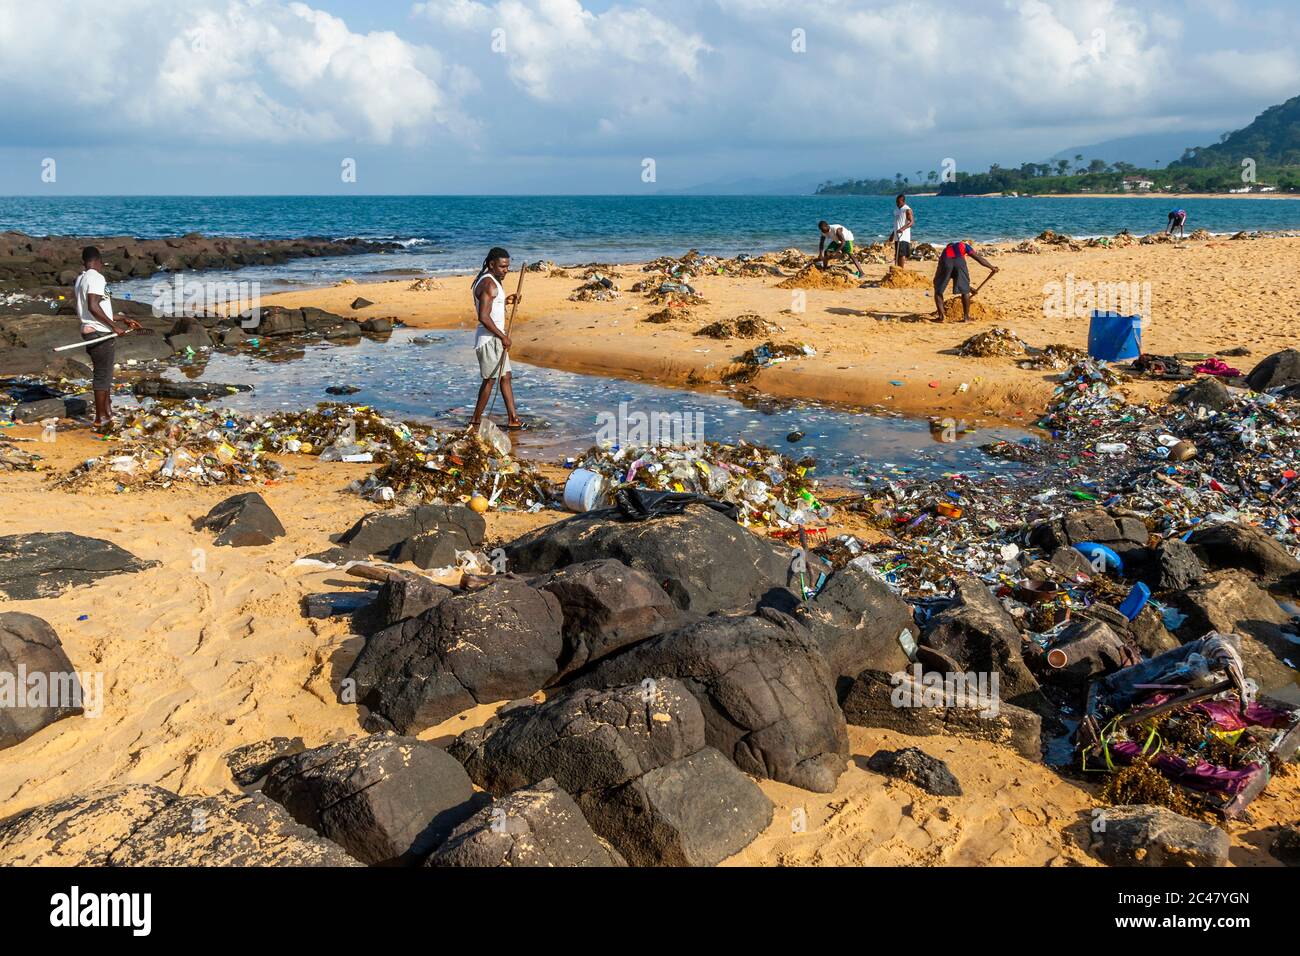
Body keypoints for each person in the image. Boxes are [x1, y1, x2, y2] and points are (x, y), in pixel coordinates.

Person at [74, 246, 141, 430]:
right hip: (99, 332)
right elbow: (94, 306)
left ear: (84, 261)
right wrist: (114, 327)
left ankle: (108, 410)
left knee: (104, 373)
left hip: (89, 329)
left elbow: (98, 308)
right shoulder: (96, 277)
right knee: (102, 375)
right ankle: (101, 416)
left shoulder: (80, 279)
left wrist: (122, 318)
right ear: (99, 261)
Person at [468, 246, 524, 430]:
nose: (506, 270)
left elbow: (493, 305)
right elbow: (483, 316)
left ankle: (513, 419)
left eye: (508, 266)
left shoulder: (492, 281)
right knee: (490, 380)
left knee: (505, 377)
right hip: (489, 339)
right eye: (502, 267)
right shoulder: (488, 284)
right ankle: (475, 420)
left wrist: (506, 300)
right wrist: (503, 336)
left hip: (495, 338)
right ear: (492, 264)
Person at [933, 240, 998, 323]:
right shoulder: (963, 245)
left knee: (938, 291)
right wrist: (992, 267)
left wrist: (937, 283)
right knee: (965, 291)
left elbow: (950, 274)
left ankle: (941, 317)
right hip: (960, 263)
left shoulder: (945, 251)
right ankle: (966, 317)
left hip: (945, 262)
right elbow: (979, 258)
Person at [888, 194, 915, 268]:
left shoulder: (907, 209)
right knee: (897, 254)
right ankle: (897, 269)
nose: (897, 203)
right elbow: (896, 224)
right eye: (896, 201)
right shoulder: (896, 210)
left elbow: (912, 222)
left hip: (904, 236)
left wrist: (902, 229)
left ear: (903, 201)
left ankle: (901, 270)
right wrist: (892, 235)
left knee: (901, 254)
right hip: (897, 236)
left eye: (899, 202)